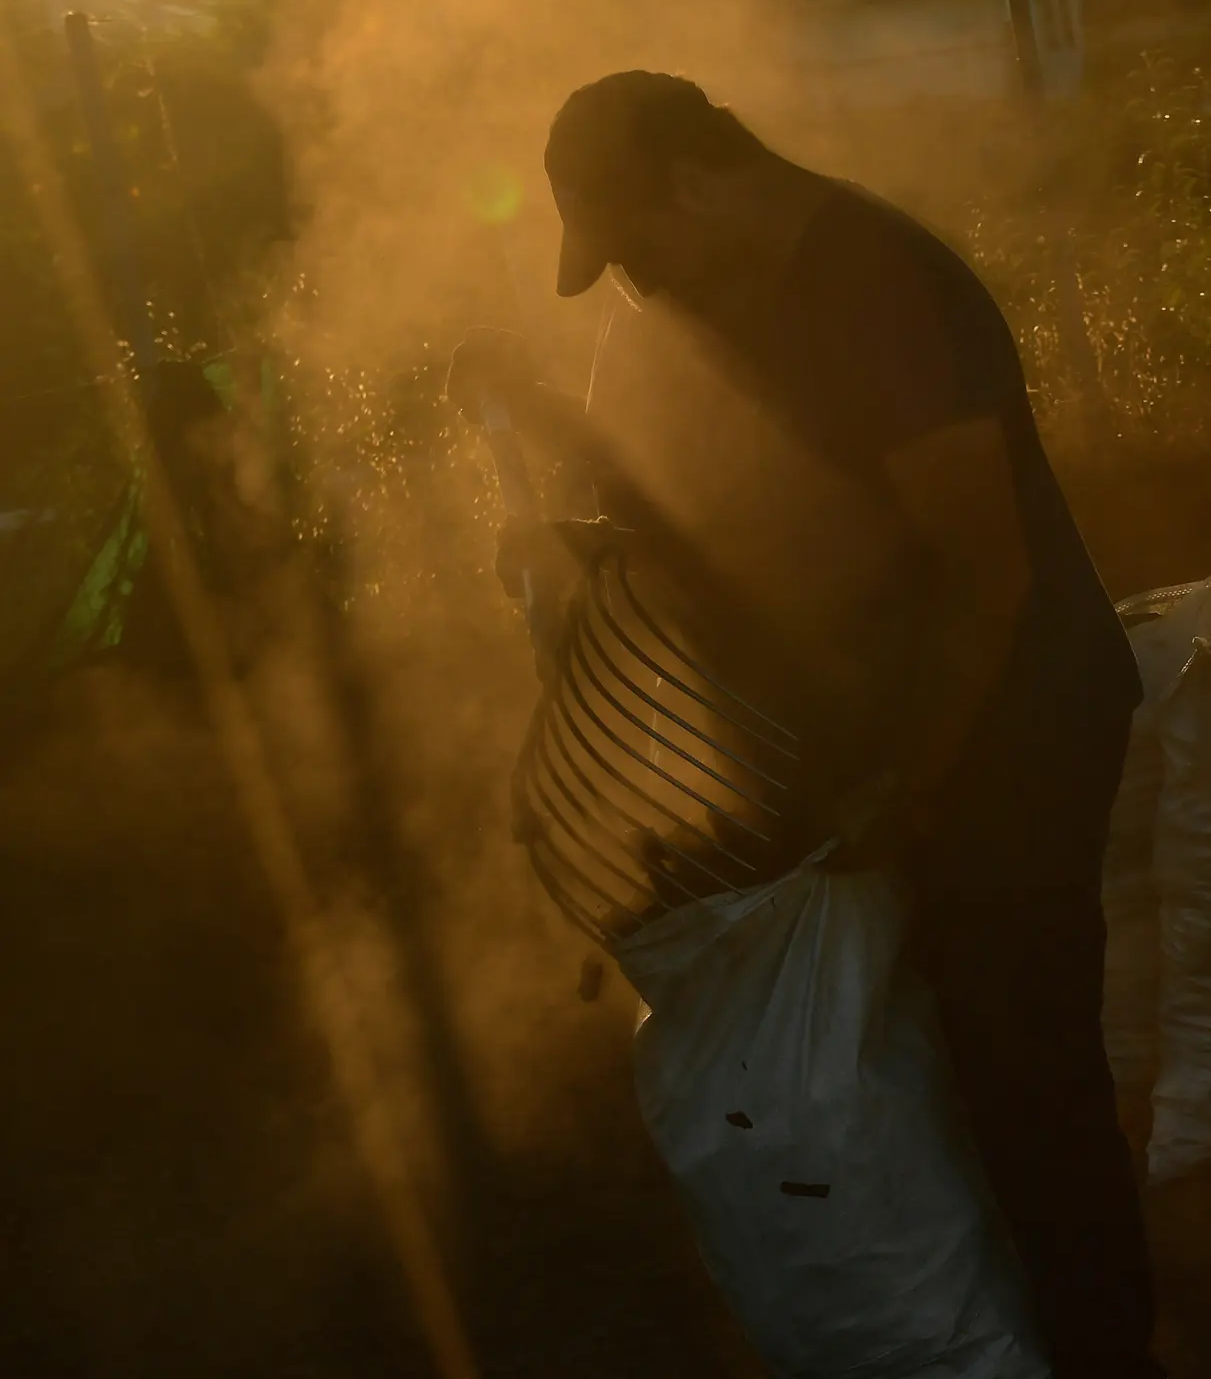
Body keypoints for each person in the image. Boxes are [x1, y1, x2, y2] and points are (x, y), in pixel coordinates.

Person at [447, 71, 1161, 1377]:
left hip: (1010, 729)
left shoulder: (879, 289)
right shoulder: (702, 307)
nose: (630, 283)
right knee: (911, 1066)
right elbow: (719, 534)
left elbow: (984, 574)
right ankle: (987, 1331)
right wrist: (568, 521)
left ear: (696, 178)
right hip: (874, 749)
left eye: (633, 246)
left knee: (1023, 1078)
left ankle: (1102, 1353)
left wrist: (906, 787)